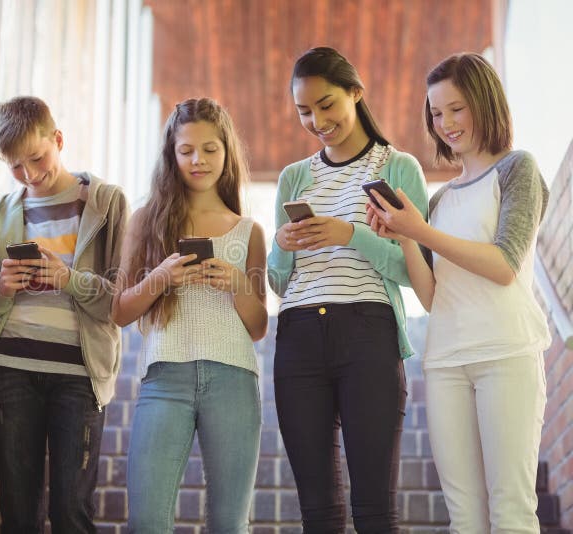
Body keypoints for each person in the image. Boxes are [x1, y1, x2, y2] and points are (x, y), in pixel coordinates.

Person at [367, 52, 550, 533]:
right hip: (446, 361)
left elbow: (505, 264)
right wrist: (404, 233)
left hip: (506, 354)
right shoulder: (440, 200)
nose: (445, 123)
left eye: (457, 108)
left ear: (484, 103)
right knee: (463, 516)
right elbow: (431, 298)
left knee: (511, 508)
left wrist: (420, 231)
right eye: (436, 113)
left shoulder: (517, 170)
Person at [268, 46, 429, 532]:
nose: (317, 120)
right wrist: (281, 244)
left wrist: (351, 233)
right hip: (297, 334)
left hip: (368, 333)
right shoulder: (293, 178)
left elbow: (414, 269)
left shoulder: (398, 168)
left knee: (374, 511)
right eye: (304, 111)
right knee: (317, 512)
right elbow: (278, 282)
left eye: (326, 104)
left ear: (356, 93)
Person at [0, 96, 127, 533]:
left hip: (80, 374)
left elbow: (125, 302)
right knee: (19, 514)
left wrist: (68, 279)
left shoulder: (107, 204)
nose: (31, 174)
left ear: (58, 139)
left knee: (71, 511)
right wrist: (1, 289)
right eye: (16, 166)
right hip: (10, 371)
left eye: (37, 158)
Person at [111, 97, 267, 533]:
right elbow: (120, 312)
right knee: (147, 520)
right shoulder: (146, 221)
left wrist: (236, 283)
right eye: (186, 150)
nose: (198, 160)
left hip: (233, 380)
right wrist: (161, 276)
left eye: (210, 149)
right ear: (172, 155)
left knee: (230, 523)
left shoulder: (248, 230)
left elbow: (257, 328)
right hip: (165, 379)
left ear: (226, 152)